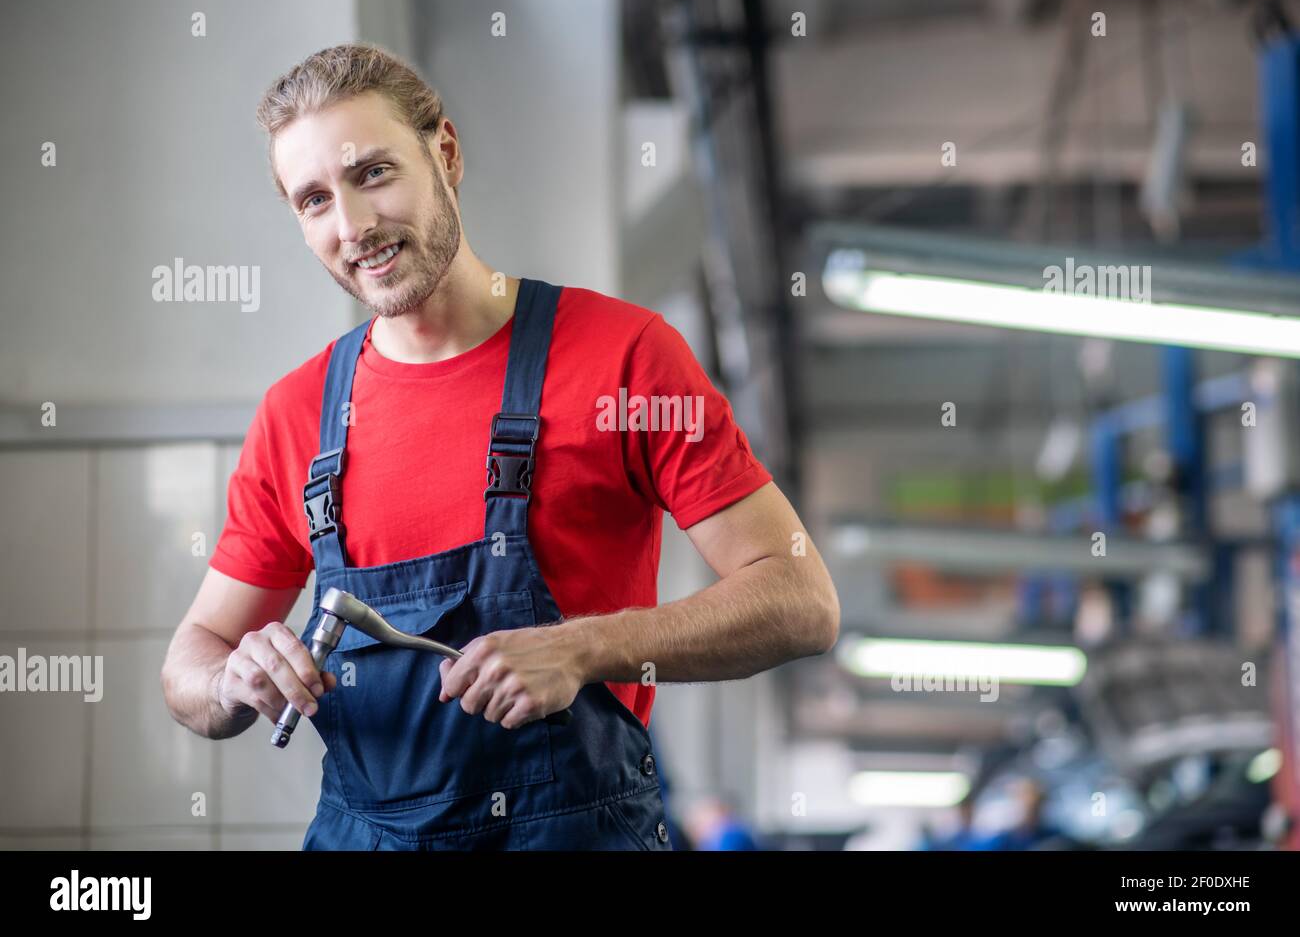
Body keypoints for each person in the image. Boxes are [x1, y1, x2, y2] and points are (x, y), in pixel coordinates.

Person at [159, 43, 839, 851]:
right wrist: (230, 680)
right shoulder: (296, 415)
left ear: (444, 151)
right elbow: (188, 668)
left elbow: (800, 600)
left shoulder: (622, 357)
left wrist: (586, 646)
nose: (354, 226)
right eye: (314, 200)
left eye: (374, 173)